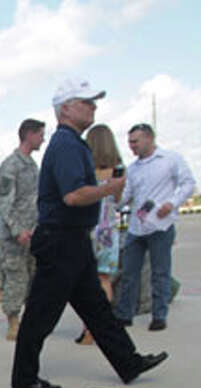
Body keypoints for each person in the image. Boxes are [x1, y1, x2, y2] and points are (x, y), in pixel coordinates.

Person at [10, 79, 168, 388]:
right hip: (61, 240)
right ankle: (24, 377)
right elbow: (72, 196)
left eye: (94, 102)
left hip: (72, 240)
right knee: (42, 313)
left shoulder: (72, 143)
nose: (93, 107)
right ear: (66, 109)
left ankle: (128, 362)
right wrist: (110, 188)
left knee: (96, 308)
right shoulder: (67, 144)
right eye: (87, 102)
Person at [115, 123, 196, 330]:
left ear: (149, 138)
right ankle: (125, 313)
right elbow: (126, 196)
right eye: (130, 142)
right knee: (129, 273)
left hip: (161, 226)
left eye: (135, 141)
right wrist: (112, 197)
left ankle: (159, 315)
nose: (132, 146)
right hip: (136, 227)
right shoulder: (132, 169)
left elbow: (188, 183)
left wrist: (172, 204)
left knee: (160, 273)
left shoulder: (170, 160)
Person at [0, 119, 44, 341]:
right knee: (16, 278)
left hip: (33, 232)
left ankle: (30, 321)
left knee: (33, 279)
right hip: (15, 236)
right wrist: (17, 230)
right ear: (29, 135)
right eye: (40, 134)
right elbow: (4, 202)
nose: (43, 138)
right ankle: (13, 321)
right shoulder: (11, 165)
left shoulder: (32, 165)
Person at [76, 124, 124, 346]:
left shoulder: (85, 171)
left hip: (88, 230)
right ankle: (101, 328)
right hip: (109, 231)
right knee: (105, 280)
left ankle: (88, 329)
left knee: (86, 283)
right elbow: (121, 201)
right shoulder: (119, 171)